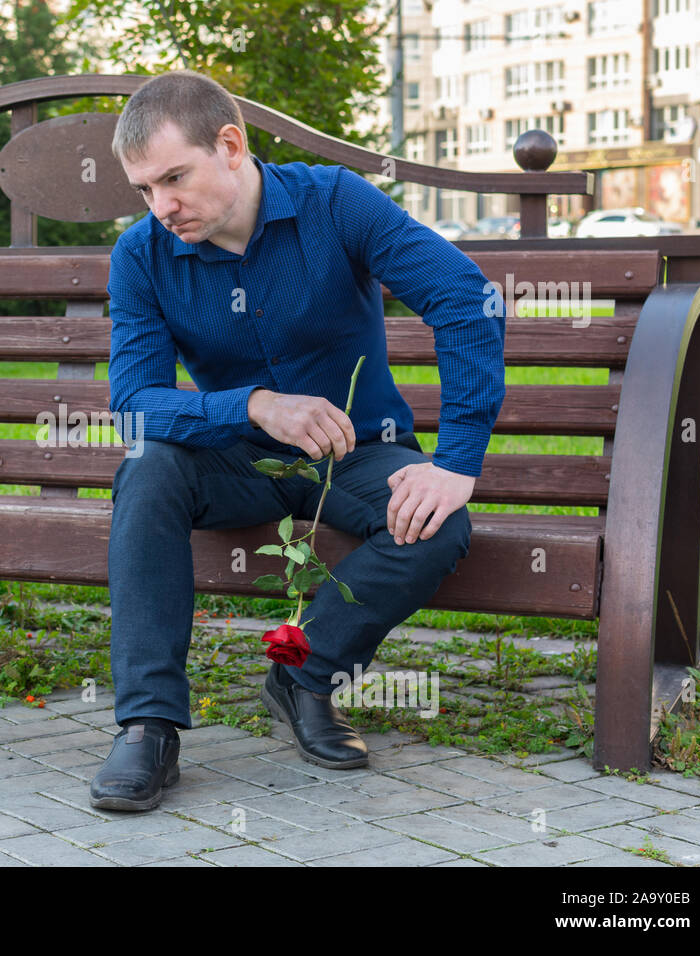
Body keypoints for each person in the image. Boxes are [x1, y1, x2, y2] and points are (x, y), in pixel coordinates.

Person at [91, 70, 505, 812]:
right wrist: (252, 406)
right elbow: (136, 403)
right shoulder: (141, 256)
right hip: (234, 460)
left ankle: (304, 674)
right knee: (147, 467)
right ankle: (148, 725)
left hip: (357, 452)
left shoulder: (335, 203)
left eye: (175, 179)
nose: (162, 208)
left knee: (437, 524)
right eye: (144, 190)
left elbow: (464, 297)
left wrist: (457, 462)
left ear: (231, 145)